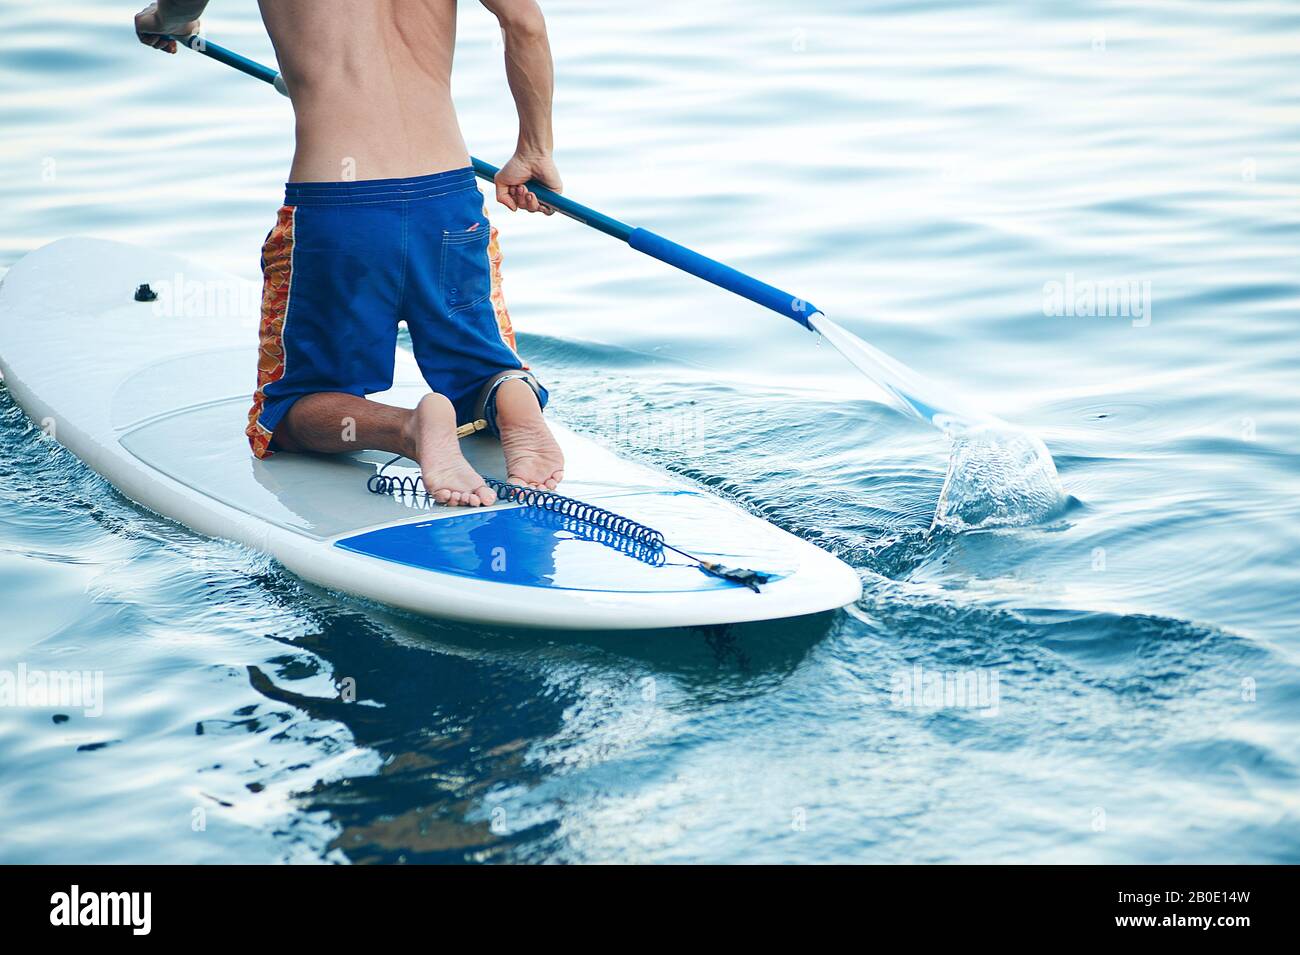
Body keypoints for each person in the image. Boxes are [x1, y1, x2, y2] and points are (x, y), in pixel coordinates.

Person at [135, 0, 565, 506]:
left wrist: (163, 23)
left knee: (290, 408)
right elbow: (525, 21)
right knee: (482, 365)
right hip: (447, 198)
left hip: (338, 207)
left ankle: (408, 429)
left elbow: (180, 6)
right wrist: (534, 149)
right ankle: (514, 403)